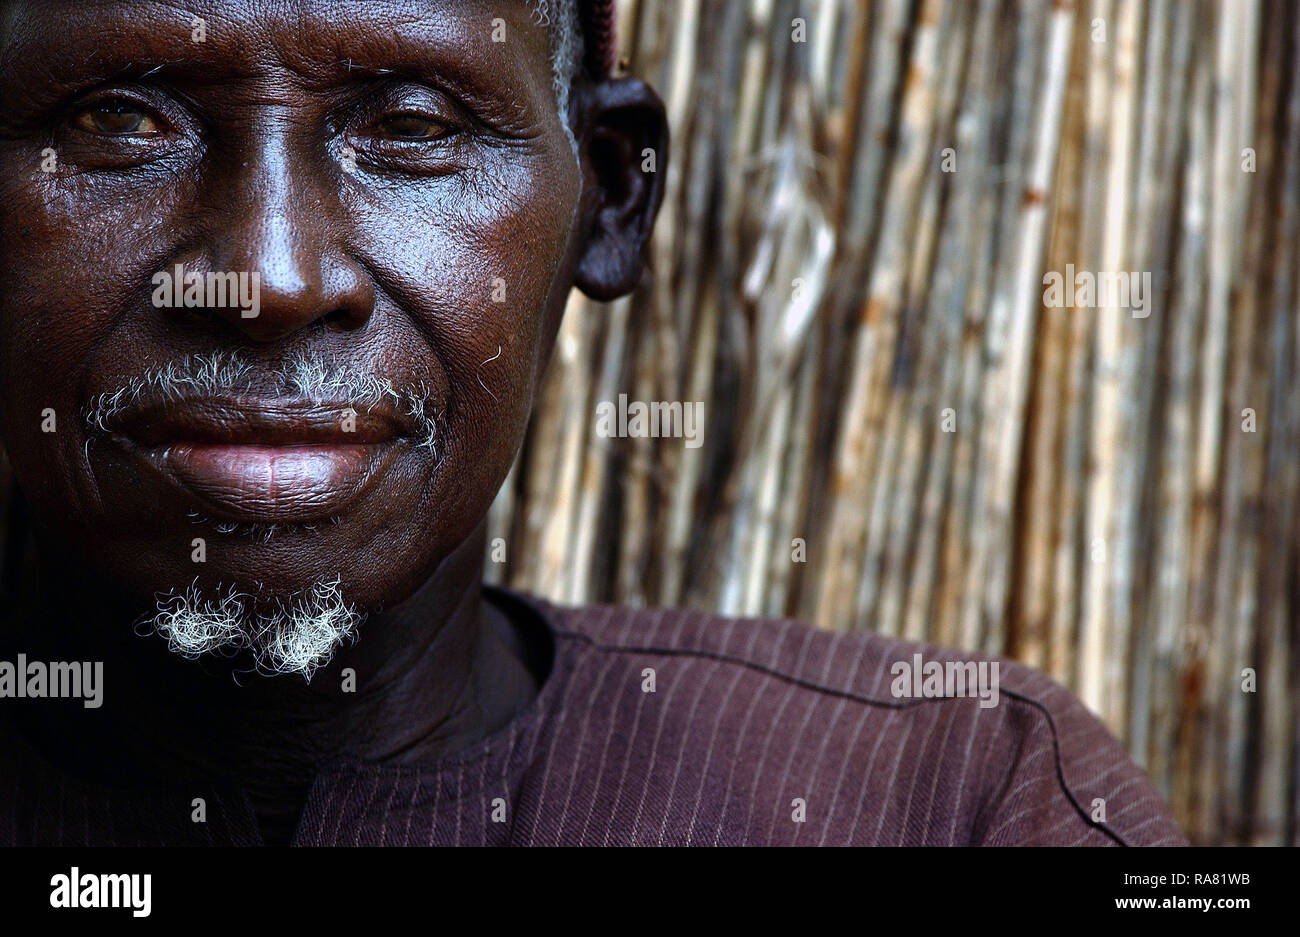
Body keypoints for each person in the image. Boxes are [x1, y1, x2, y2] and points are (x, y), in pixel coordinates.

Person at [0, 0, 1185, 846]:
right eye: (119, 121)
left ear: (608, 196)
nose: (267, 277)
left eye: (412, 128)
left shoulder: (955, 796)